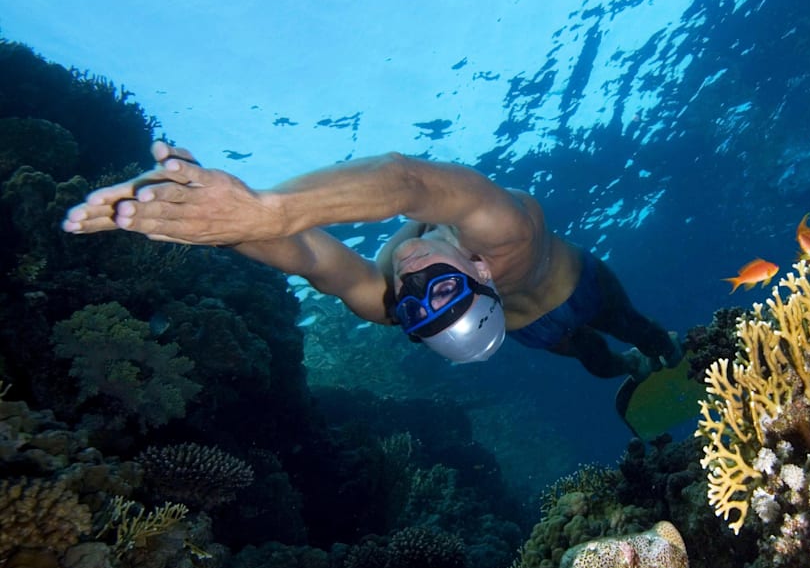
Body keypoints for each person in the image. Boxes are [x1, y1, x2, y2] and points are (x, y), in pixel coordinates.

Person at [63, 142, 682, 379]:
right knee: (603, 345)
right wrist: (263, 212)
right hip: (574, 289)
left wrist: (211, 220)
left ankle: (653, 352)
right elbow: (405, 180)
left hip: (525, 320)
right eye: (441, 290)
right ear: (481, 272)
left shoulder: (393, 301)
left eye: (416, 306)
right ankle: (639, 364)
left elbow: (307, 255)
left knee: (619, 334)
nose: (411, 279)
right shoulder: (509, 231)